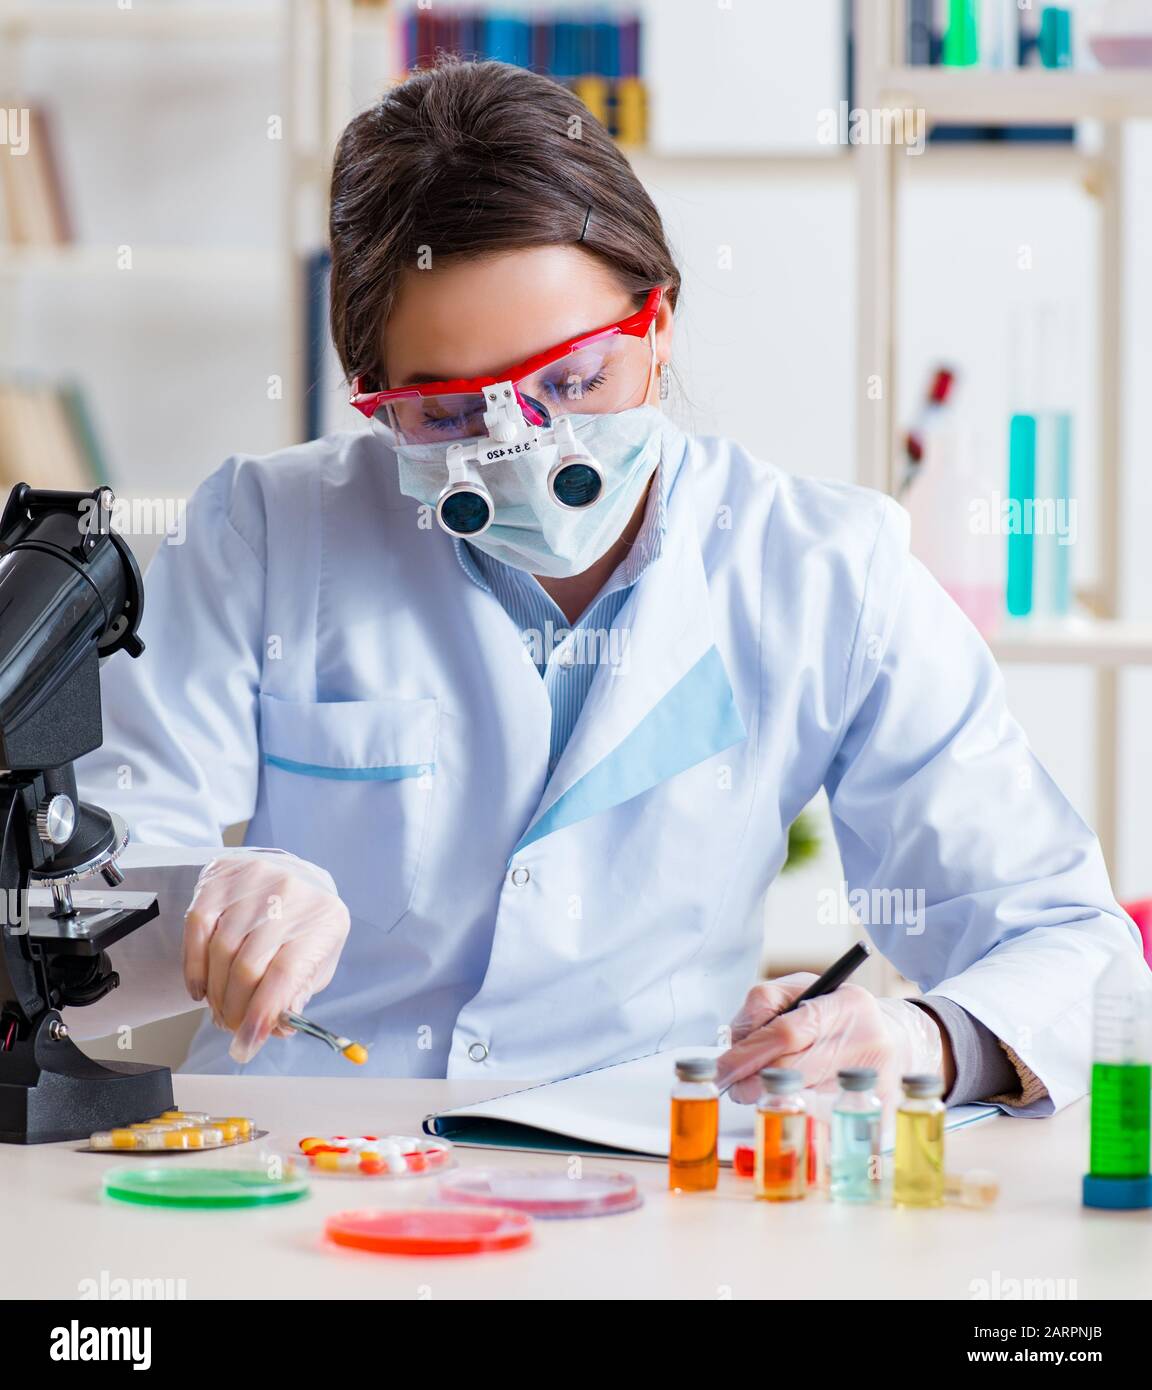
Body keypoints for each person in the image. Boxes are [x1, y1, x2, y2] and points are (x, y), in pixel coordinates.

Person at [72, 59, 1140, 1115]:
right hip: (298, 1169)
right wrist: (203, 899)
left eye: (576, 381)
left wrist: (923, 1038)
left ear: (659, 321)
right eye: (447, 412)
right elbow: (81, 890)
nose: (526, 447)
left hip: (649, 1185)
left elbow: (1069, 946)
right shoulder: (268, 529)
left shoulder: (820, 570)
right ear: (372, 401)